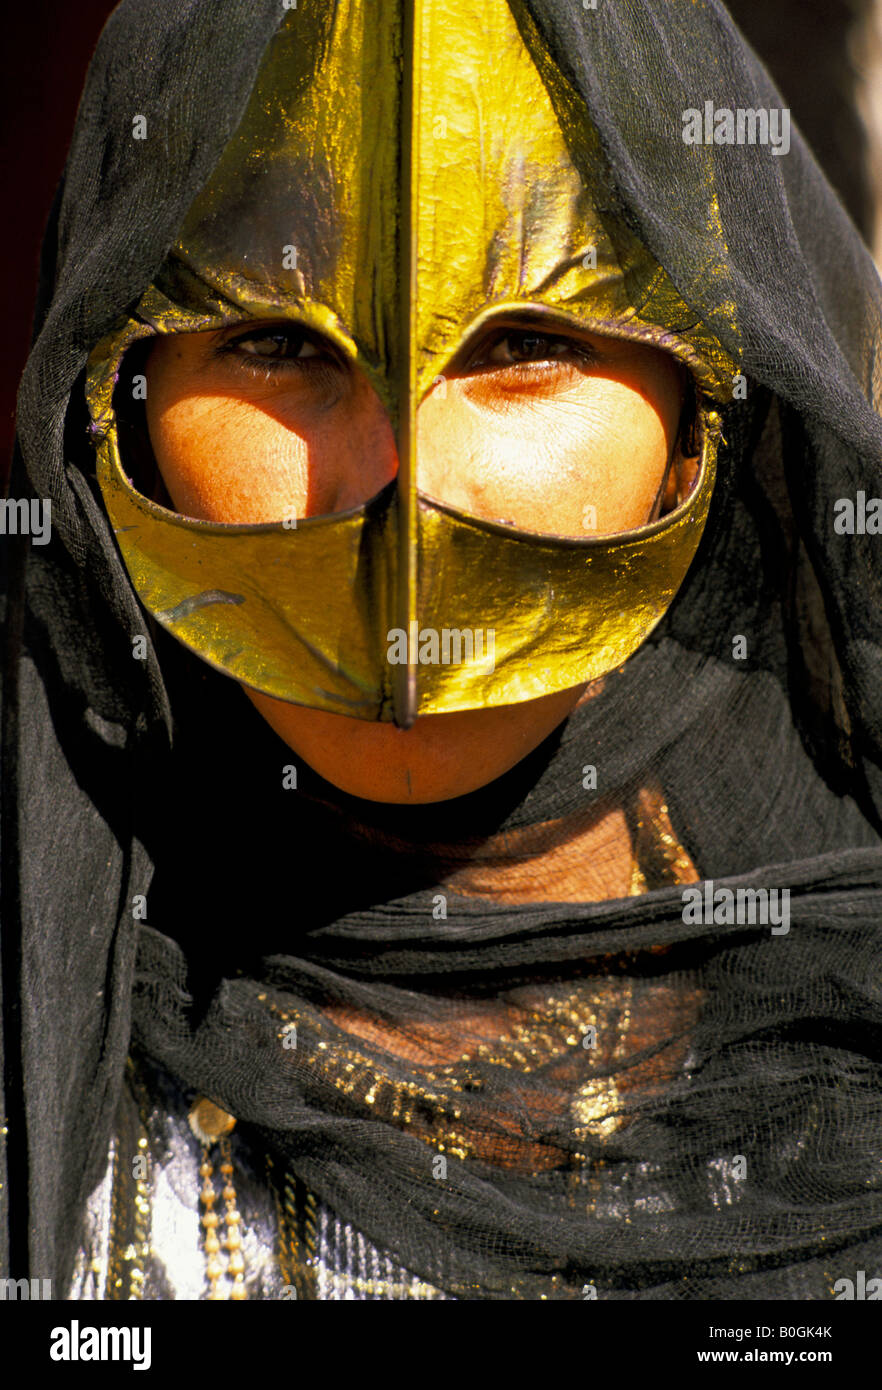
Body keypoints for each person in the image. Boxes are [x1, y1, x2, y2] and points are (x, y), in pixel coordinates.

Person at [3, 0, 881, 1301]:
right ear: (116, 410)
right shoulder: (39, 1007)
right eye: (274, 342)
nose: (406, 505)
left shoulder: (845, 1014)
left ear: (702, 412)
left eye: (529, 342)